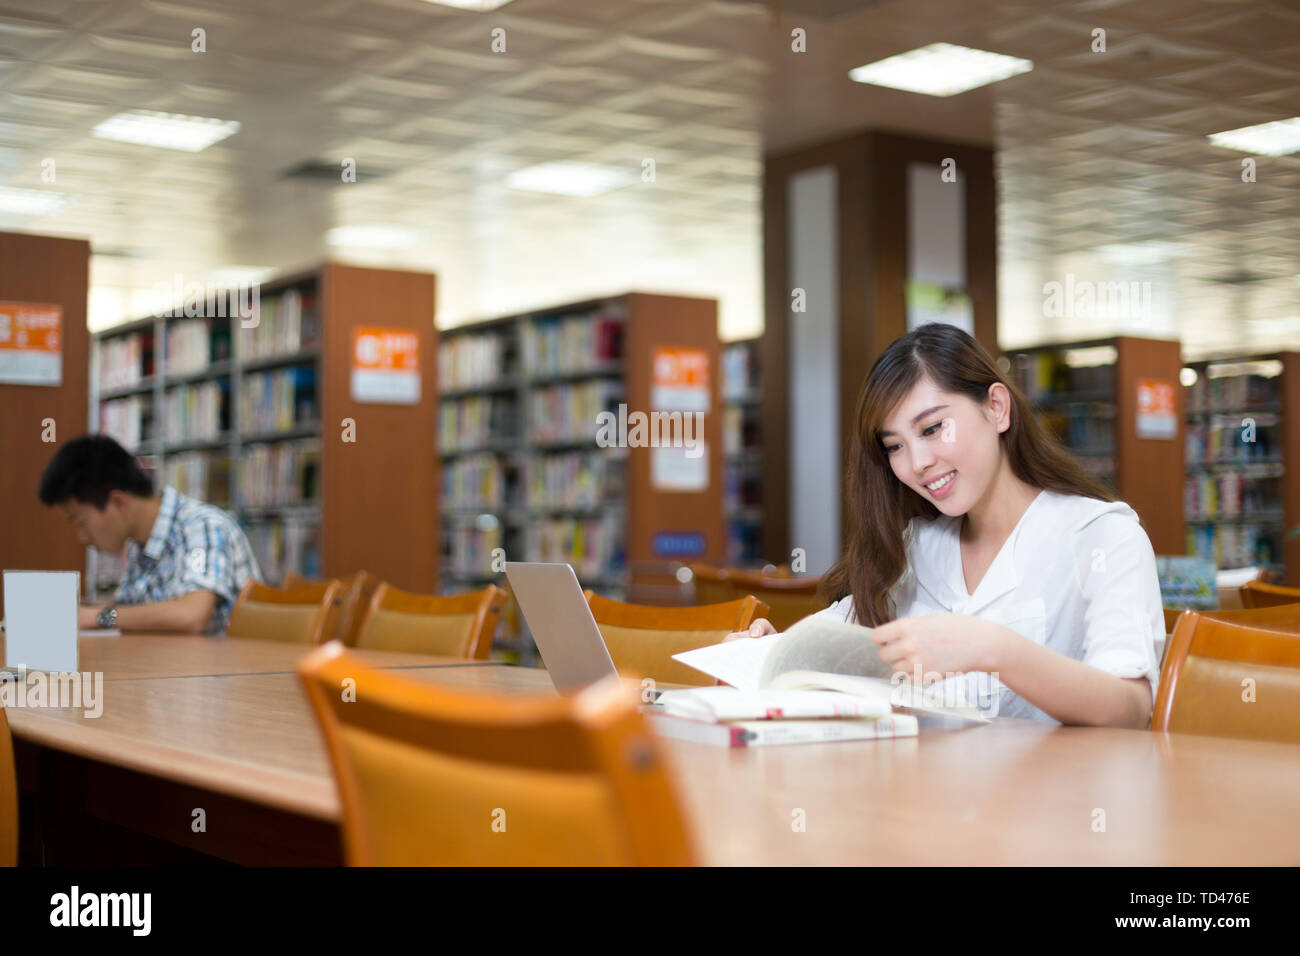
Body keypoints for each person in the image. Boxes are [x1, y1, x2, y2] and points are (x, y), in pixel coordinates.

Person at [730, 323, 1162, 728]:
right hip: (920, 798)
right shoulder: (913, 547)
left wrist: (995, 650)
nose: (917, 463)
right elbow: (827, 646)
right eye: (895, 446)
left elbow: (1130, 708)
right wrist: (772, 649)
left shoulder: (1103, 536)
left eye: (934, 428)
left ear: (996, 408)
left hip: (1050, 801)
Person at [38, 434, 261, 635]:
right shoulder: (140, 542)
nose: (82, 538)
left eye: (80, 522)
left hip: (226, 674)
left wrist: (96, 617)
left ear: (117, 502)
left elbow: (192, 615)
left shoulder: (202, 527)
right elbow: (131, 609)